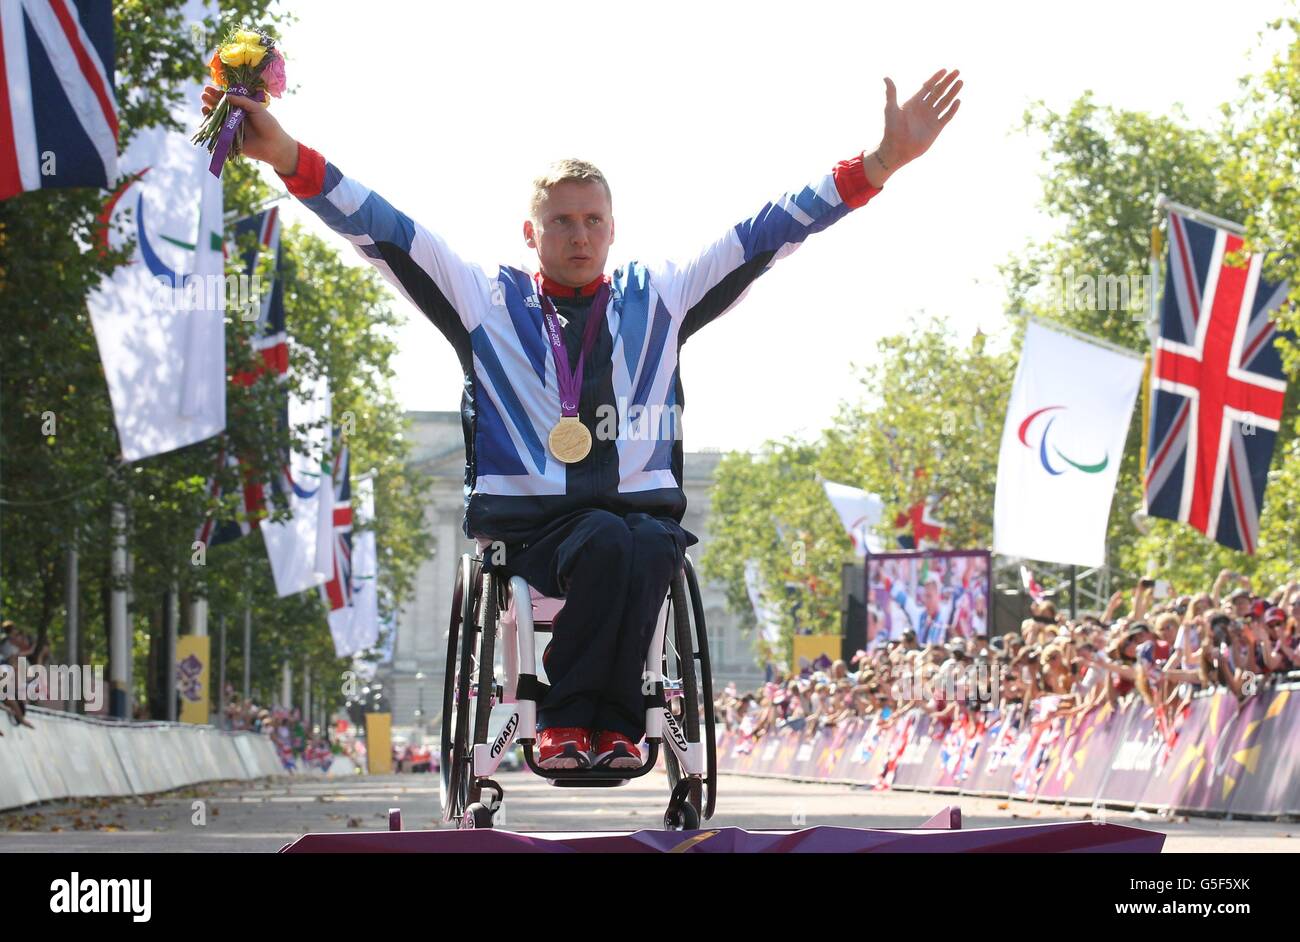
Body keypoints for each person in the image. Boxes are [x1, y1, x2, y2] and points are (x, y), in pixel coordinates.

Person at [202, 67, 962, 770]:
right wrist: (286, 155)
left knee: (644, 541)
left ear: (613, 228)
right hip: (534, 527)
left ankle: (609, 724)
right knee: (608, 538)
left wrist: (879, 163)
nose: (578, 234)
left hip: (640, 517)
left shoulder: (661, 296)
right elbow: (383, 230)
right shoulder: (483, 300)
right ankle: (575, 721)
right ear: (530, 234)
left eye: (593, 220)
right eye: (561, 221)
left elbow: (769, 234)